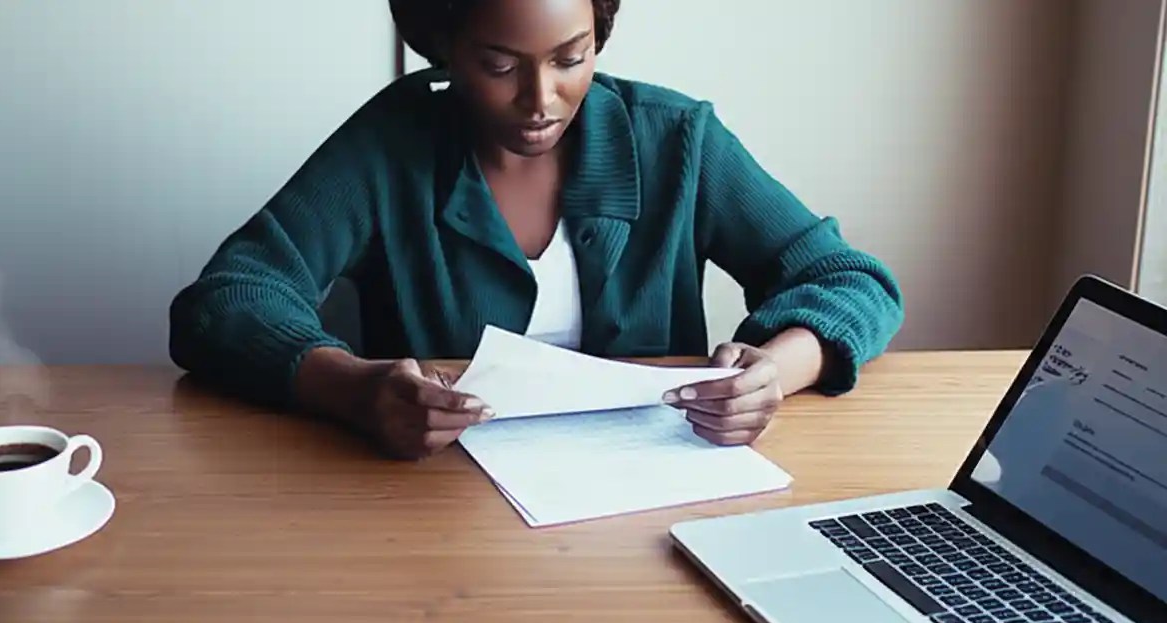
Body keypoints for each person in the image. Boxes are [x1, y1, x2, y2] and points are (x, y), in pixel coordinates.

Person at [168, 0, 904, 460]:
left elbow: (849, 280)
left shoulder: (675, 141)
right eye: (497, 64)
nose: (540, 100)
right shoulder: (392, 145)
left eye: (570, 57)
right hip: (435, 513)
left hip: (654, 510)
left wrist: (776, 370)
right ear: (446, 45)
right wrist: (352, 391)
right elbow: (224, 302)